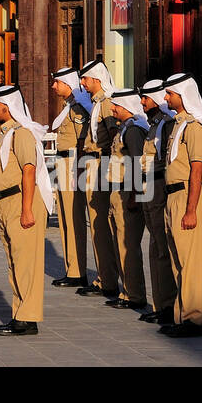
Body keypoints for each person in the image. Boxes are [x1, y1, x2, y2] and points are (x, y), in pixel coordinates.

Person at [0, 84, 54, 336]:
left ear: (8, 106)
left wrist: (27, 209)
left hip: (21, 200)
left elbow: (29, 170)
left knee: (26, 261)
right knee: (15, 261)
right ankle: (19, 314)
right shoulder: (6, 133)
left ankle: (27, 318)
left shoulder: (21, 133)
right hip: (7, 201)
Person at [160, 73, 202, 338]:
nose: (166, 98)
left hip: (188, 195)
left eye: (170, 94)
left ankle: (194, 320)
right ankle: (181, 315)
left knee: (191, 261)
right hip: (174, 195)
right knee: (178, 260)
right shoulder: (179, 125)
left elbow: (197, 169)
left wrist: (191, 209)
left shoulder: (194, 127)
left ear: (182, 96)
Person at [76, 59, 120, 301]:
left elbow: (114, 137)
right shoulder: (96, 103)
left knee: (101, 225)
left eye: (86, 79)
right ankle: (105, 277)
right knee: (96, 224)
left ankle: (108, 280)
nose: (82, 83)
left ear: (97, 80)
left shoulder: (105, 104)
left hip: (101, 165)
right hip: (93, 164)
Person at [139, 79, 178, 325]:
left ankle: (168, 305)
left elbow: (165, 161)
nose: (142, 102)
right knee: (154, 246)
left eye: (146, 98)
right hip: (147, 186)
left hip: (158, 187)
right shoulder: (153, 125)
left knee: (162, 247)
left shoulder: (166, 125)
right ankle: (159, 303)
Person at [106, 89, 149, 311]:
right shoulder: (125, 129)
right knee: (119, 244)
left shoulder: (133, 131)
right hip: (117, 191)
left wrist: (134, 195)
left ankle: (135, 294)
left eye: (116, 106)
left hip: (127, 192)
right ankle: (127, 291)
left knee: (128, 245)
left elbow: (136, 164)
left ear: (127, 107)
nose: (112, 109)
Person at [49, 67, 91, 289]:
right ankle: (72, 268)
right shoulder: (69, 108)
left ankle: (77, 271)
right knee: (65, 218)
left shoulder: (78, 110)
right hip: (64, 165)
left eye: (57, 82)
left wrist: (79, 174)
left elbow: (82, 144)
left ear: (67, 83)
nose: (54, 86)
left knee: (74, 219)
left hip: (73, 167)